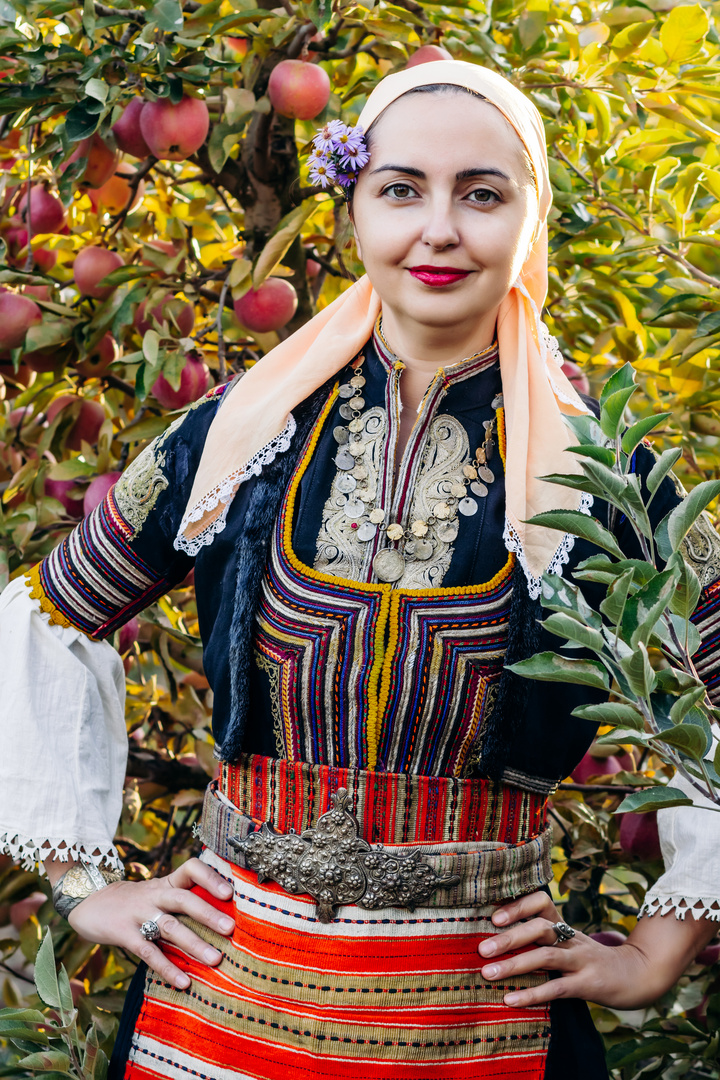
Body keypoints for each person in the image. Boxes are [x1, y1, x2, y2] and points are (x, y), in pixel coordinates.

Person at [1, 60, 719, 1080]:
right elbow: (53, 610)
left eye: (481, 193)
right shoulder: (240, 436)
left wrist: (658, 951)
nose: (438, 231)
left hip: (482, 1014)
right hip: (222, 1003)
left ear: (531, 217)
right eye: (400, 190)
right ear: (353, 214)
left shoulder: (608, 473)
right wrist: (80, 884)